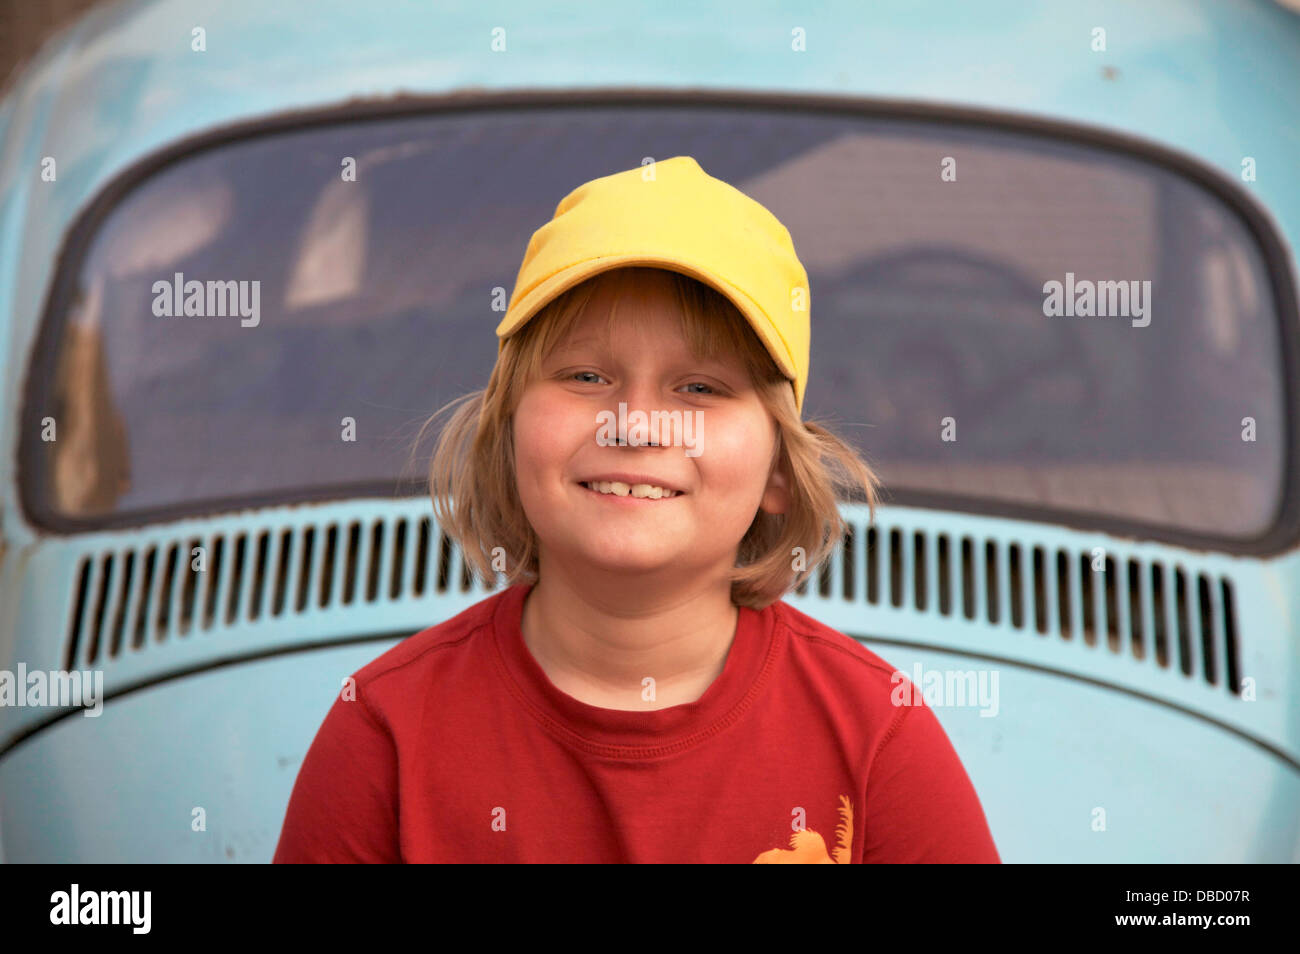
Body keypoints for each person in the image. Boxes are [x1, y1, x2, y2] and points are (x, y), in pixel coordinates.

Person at [272, 156, 1000, 863]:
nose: (636, 424)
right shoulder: (385, 731)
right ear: (510, 437)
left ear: (779, 469)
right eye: (586, 375)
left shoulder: (875, 736)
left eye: (701, 388)